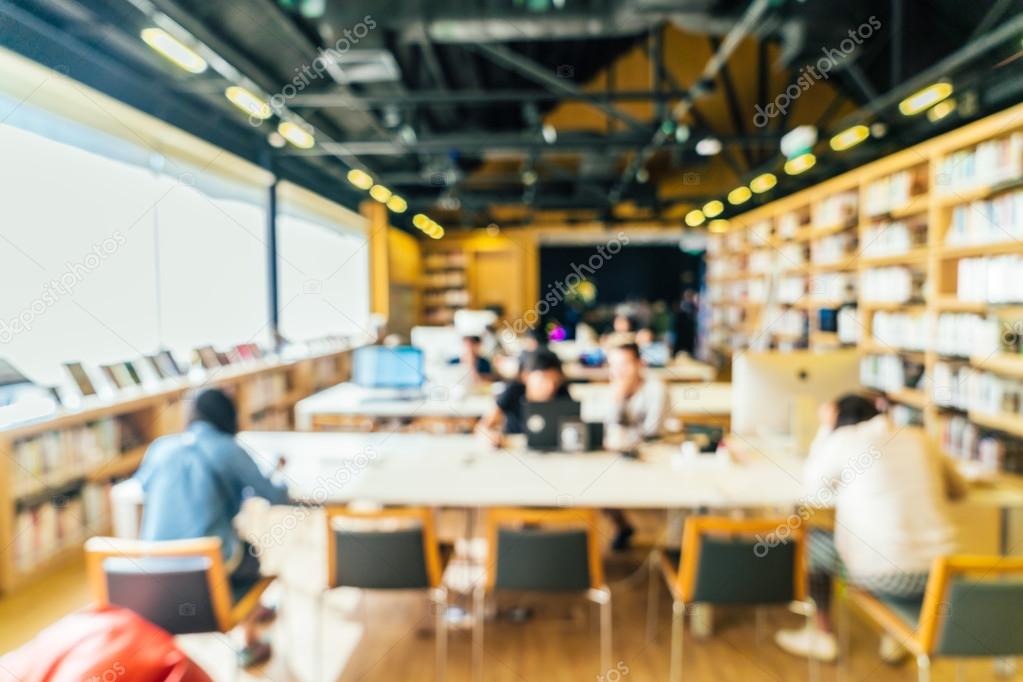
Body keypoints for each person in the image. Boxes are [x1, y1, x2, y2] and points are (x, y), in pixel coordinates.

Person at [774, 394, 966, 663]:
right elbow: (959, 490)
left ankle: (821, 634)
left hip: (885, 578)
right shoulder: (920, 438)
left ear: (837, 420)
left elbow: (812, 485)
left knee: (817, 540)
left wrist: (825, 430)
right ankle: (895, 635)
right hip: (946, 575)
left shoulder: (844, 440)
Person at [134, 387, 289, 666]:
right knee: (249, 554)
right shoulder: (229, 448)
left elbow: (143, 489)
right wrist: (278, 472)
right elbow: (275, 496)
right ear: (229, 415)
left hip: (154, 575)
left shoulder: (160, 448)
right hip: (208, 573)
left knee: (233, 548)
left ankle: (255, 610)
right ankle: (250, 640)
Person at [603, 343, 670, 549]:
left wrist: (620, 434)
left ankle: (672, 544)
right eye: (614, 365)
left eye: (625, 364)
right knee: (597, 483)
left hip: (654, 456)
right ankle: (622, 526)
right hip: (621, 454)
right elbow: (605, 429)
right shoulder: (613, 390)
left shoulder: (656, 390)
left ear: (640, 364)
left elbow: (652, 432)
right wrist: (617, 399)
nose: (619, 371)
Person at [476, 349, 571, 445]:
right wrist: (491, 437)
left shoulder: (562, 393)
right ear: (526, 376)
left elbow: (574, 426)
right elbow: (482, 427)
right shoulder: (514, 391)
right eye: (543, 380)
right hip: (513, 449)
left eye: (555, 381)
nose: (550, 387)